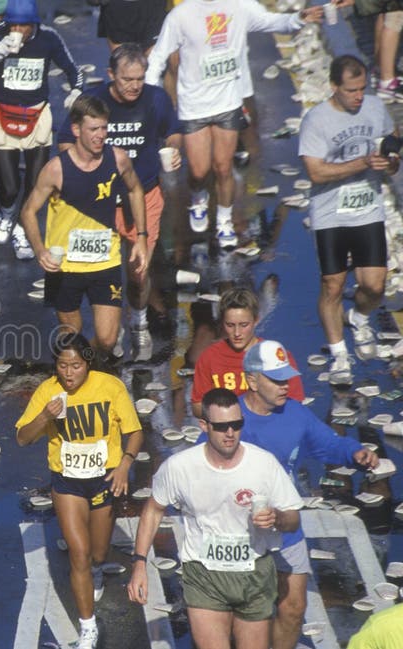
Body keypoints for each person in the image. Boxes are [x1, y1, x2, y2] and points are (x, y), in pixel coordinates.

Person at [127, 388, 304, 649]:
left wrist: (277, 518)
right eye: (222, 427)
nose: (230, 433)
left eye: (236, 425)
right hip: (203, 572)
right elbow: (153, 510)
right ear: (204, 425)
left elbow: (293, 518)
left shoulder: (263, 464)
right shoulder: (180, 467)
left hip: (254, 570)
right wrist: (139, 564)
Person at [235, 341, 379, 649]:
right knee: (249, 614)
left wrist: (356, 452)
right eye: (276, 379)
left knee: (293, 608)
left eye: (287, 377)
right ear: (252, 380)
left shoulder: (296, 414)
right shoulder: (231, 418)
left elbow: (328, 443)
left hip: (287, 527)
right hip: (240, 532)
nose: (285, 385)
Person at [145, 0, 322, 247]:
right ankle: (198, 197)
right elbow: (159, 55)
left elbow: (271, 21)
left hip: (228, 102)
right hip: (194, 105)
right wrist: (150, 93)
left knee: (223, 167)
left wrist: (299, 19)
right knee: (198, 171)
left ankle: (224, 222)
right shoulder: (180, 15)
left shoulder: (239, 6)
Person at [15, 332, 143, 649]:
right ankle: (88, 629)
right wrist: (45, 415)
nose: (69, 373)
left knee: (98, 553)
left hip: (104, 480)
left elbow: (135, 432)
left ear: (87, 363)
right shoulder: (48, 391)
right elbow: (22, 437)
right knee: (79, 554)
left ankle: (97, 570)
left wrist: (125, 464)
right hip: (66, 482)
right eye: (62, 365)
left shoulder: (110, 387)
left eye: (75, 365)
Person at [57, 43, 181, 362]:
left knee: (139, 273)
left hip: (146, 195)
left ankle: (138, 321)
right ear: (111, 75)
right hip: (101, 203)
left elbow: (173, 132)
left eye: (139, 78)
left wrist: (175, 150)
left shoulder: (156, 98)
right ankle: (111, 327)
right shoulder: (93, 101)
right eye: (127, 79)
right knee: (107, 272)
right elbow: (64, 143)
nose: (134, 86)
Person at [19, 95, 147, 361]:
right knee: (71, 335)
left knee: (108, 340)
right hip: (65, 266)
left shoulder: (118, 158)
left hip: (105, 261)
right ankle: (78, 371)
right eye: (93, 129)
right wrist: (40, 250)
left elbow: (135, 189)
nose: (100, 135)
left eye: (104, 128)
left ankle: (83, 364)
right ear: (76, 130)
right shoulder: (56, 169)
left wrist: (142, 237)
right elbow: (28, 212)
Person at [299, 54, 399, 384]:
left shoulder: (374, 108)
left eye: (362, 89)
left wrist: (392, 162)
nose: (359, 96)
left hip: (367, 208)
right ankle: (340, 354)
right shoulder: (316, 120)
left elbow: (391, 147)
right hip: (330, 214)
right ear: (333, 86)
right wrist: (362, 164)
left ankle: (358, 316)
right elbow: (315, 172)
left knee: (374, 286)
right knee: (333, 284)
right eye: (351, 90)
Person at [0, 0, 80, 260]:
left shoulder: (49, 38)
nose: (16, 29)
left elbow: (74, 71)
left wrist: (76, 91)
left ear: (34, 24)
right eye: (12, 23)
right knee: (10, 188)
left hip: (37, 117)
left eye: (23, 25)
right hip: (2, 115)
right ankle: (6, 211)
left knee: (36, 183)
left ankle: (20, 228)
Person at [190, 287, 304, 419]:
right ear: (222, 323)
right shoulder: (209, 357)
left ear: (256, 321)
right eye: (230, 325)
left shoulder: (276, 354)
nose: (237, 333)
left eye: (244, 325)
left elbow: (295, 403)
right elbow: (198, 405)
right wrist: (226, 417)